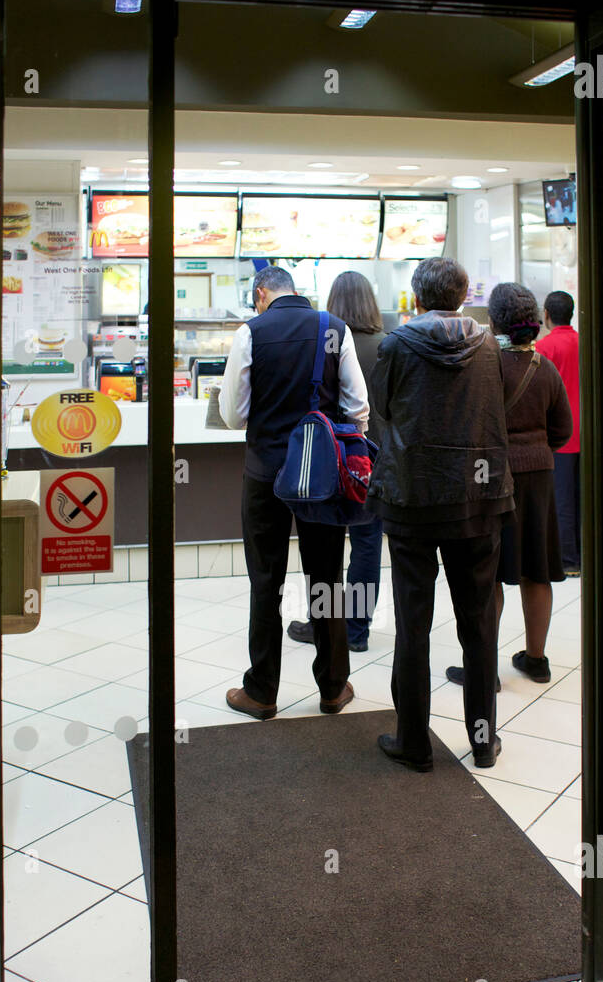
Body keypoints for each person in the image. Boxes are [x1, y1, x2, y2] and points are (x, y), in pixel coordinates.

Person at [367, 257, 514, 771]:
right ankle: (482, 741)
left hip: (413, 496)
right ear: (464, 293)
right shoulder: (489, 346)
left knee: (413, 625)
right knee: (479, 627)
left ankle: (413, 743)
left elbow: (380, 410)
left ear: (416, 296)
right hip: (479, 497)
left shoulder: (396, 345)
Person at [219, 265, 369, 720]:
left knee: (266, 581)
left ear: (262, 294)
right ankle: (333, 687)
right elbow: (358, 406)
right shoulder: (333, 328)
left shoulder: (251, 332)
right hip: (321, 477)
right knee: (326, 578)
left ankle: (262, 692)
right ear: (296, 291)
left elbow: (232, 414)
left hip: (265, 473)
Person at [446, 283, 572, 692]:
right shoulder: (546, 368)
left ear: (495, 321)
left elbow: (469, 425)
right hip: (539, 479)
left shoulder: (485, 366)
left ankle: (486, 670)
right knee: (538, 569)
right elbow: (562, 431)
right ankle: (536, 660)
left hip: (493, 479)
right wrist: (533, 451)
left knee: (490, 573)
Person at [287, 270, 387, 652]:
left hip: (329, 458)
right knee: (367, 544)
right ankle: (357, 632)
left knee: (324, 545)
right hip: (373, 460)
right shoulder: (388, 345)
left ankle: (321, 625)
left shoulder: (322, 343)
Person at [535, 290, 581, 575]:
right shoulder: (585, 342)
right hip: (587, 431)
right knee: (581, 497)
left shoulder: (543, 348)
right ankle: (583, 552)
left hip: (559, 434)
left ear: (547, 315)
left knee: (562, 498)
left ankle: (569, 560)